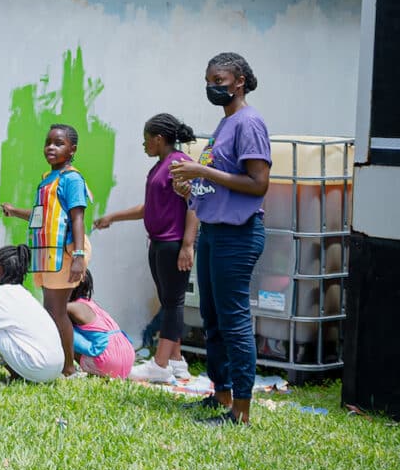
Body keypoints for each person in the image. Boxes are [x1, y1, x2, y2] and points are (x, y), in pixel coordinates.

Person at [172, 52, 271, 425]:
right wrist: (191, 185)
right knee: (212, 318)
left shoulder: (248, 122)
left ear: (240, 81)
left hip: (238, 235)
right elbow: (217, 184)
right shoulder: (225, 122)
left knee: (233, 320)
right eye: (208, 80)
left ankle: (241, 411)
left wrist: (201, 170)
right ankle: (221, 395)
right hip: (214, 231)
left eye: (219, 80)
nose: (212, 87)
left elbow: (258, 183)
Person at [94, 113, 198, 382]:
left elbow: (195, 204)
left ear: (159, 138)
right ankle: (175, 360)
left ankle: (160, 365)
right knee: (168, 301)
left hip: (173, 243)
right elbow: (148, 207)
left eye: (146, 140)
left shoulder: (179, 164)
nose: (144, 146)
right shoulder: (159, 167)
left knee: (173, 303)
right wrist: (112, 217)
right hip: (158, 243)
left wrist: (188, 245)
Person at [0, 124, 90, 376]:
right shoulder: (47, 179)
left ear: (72, 150)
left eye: (58, 143)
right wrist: (15, 211)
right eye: (48, 142)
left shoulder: (71, 179)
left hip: (67, 252)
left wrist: (79, 256)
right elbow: (43, 217)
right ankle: (61, 363)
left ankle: (68, 368)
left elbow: (78, 217)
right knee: (51, 309)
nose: (51, 147)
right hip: (49, 253)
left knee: (56, 309)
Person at [0, 244, 64, 383]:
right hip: (55, 369)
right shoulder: (22, 294)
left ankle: (15, 374)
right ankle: (20, 372)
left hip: (38, 369)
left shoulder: (1, 295)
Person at [67, 272, 136, 379]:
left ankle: (67, 368)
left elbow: (52, 314)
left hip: (109, 363)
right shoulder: (91, 304)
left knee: (61, 325)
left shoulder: (72, 307)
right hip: (128, 359)